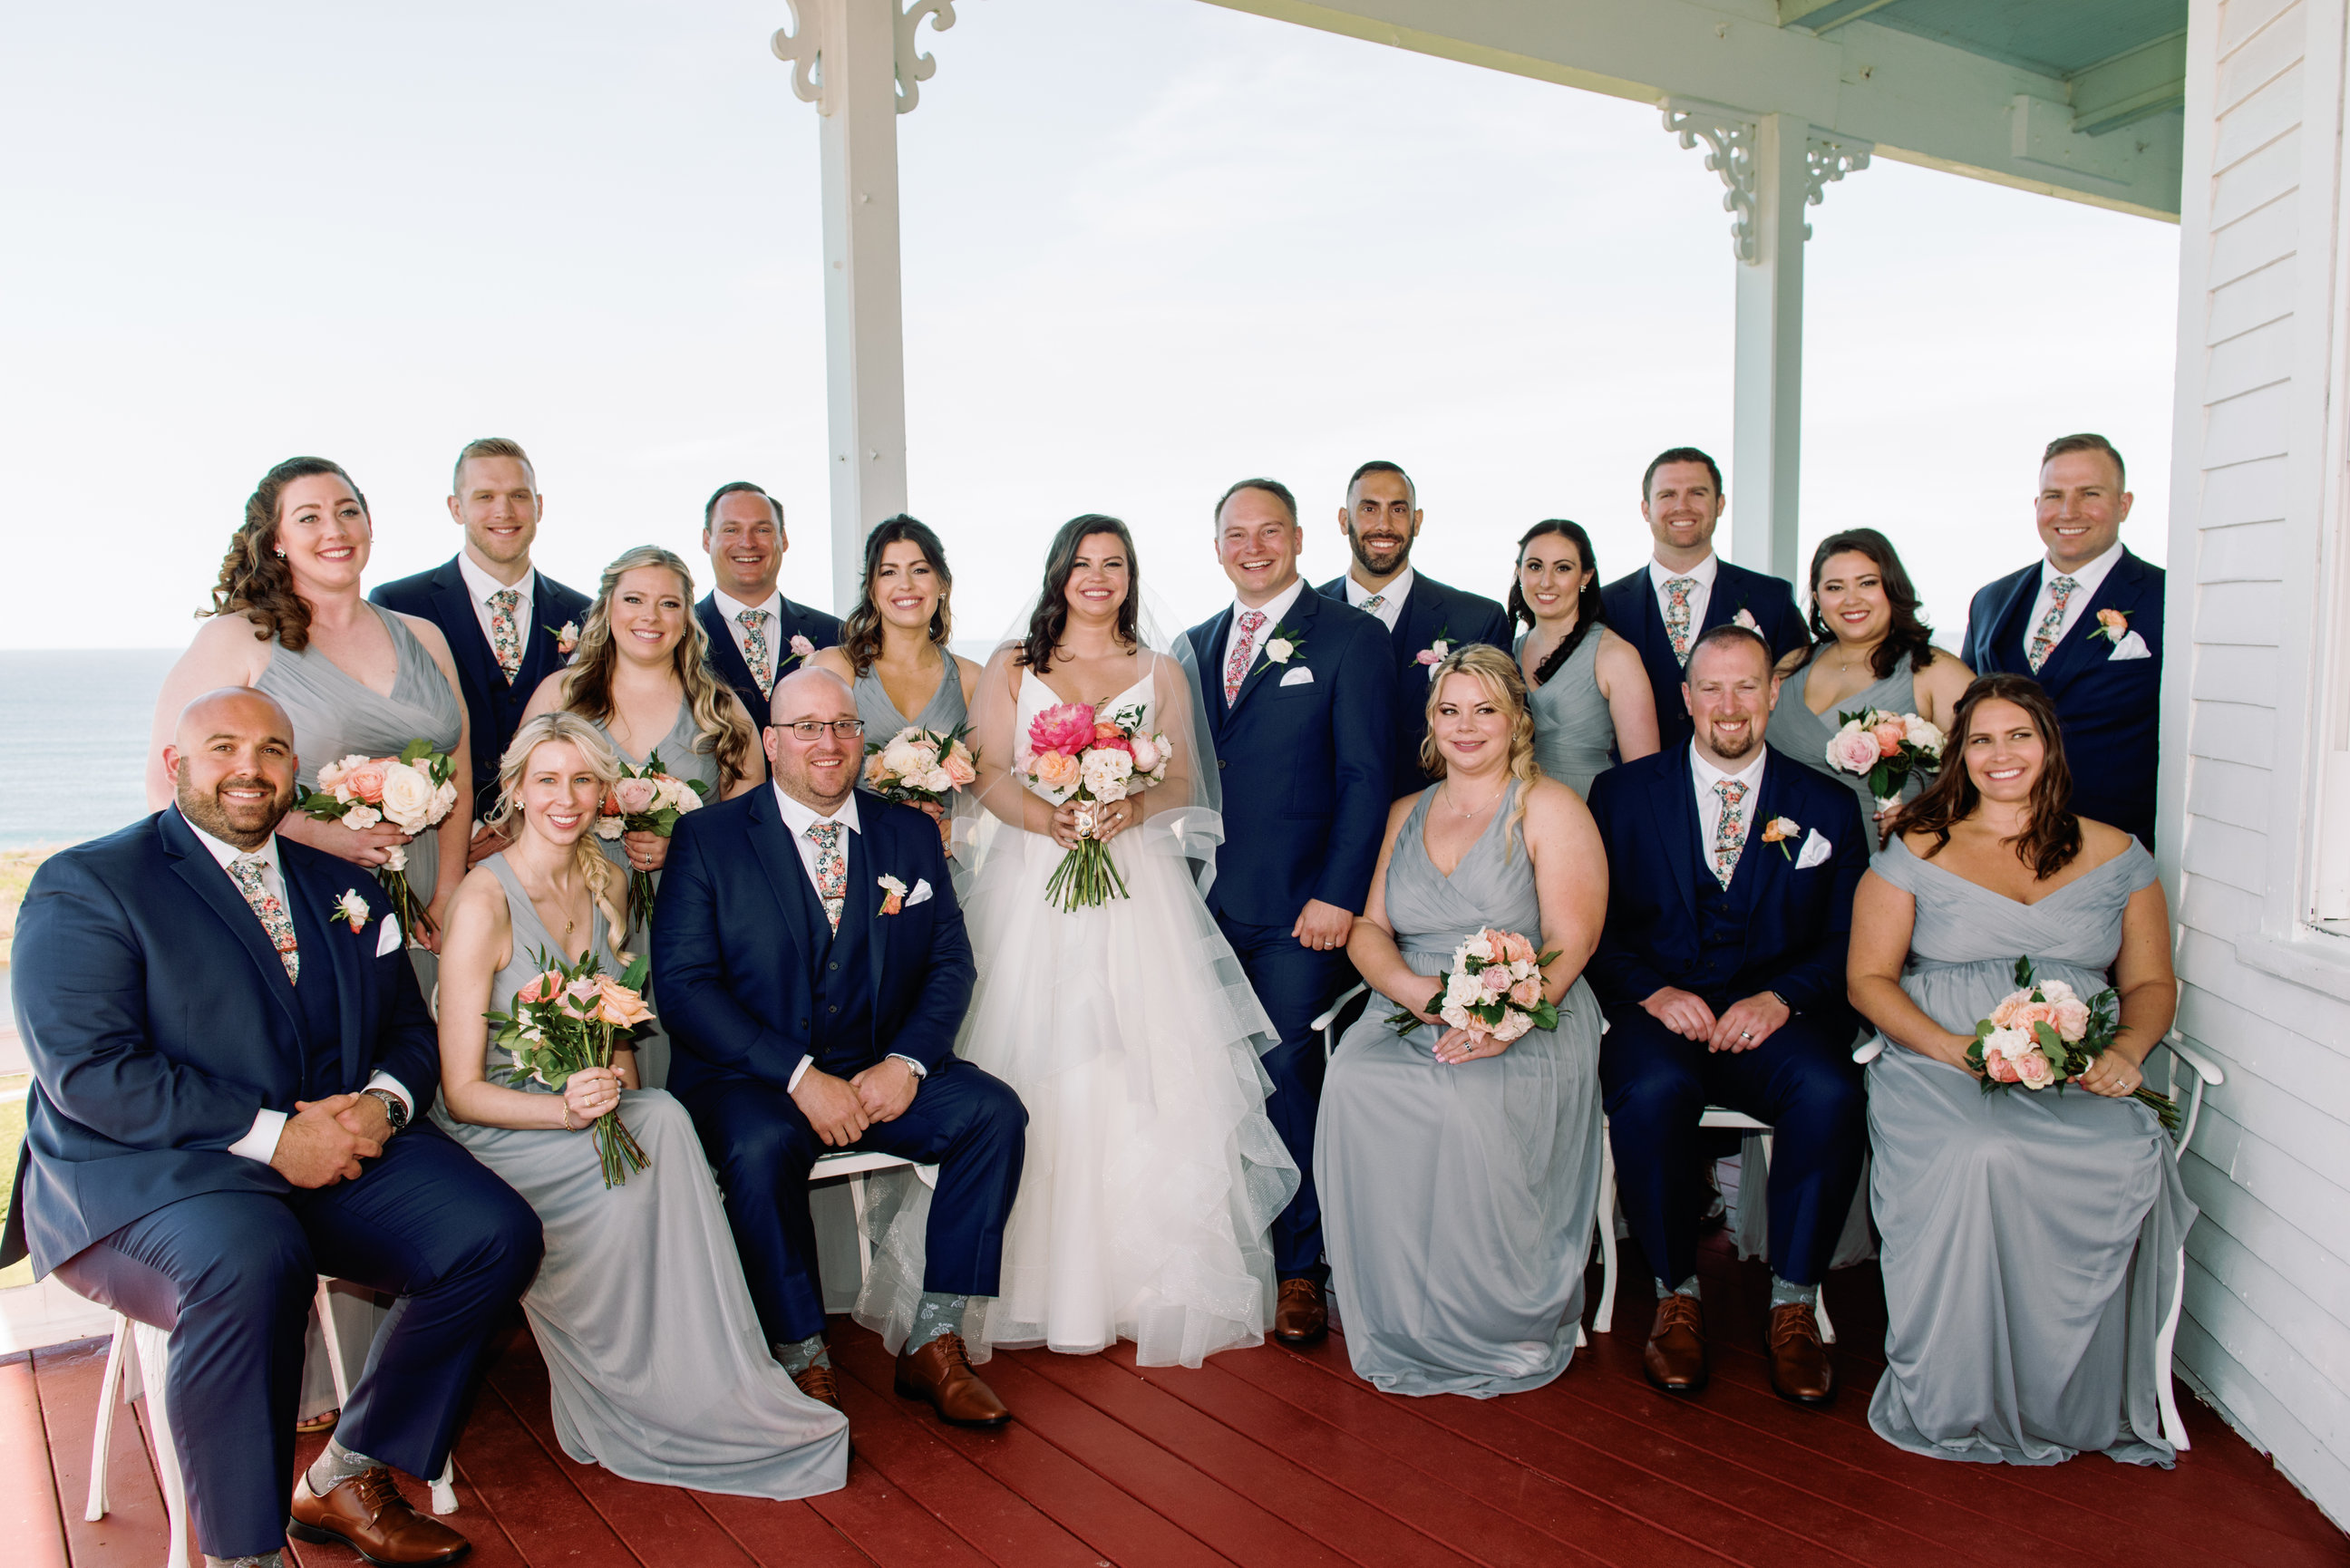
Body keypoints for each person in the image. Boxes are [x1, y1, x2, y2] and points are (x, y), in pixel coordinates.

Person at [5, 688, 540, 1568]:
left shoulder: (349, 886)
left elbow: (407, 1030)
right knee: (250, 1256)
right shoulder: (90, 882)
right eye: (223, 746)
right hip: (145, 1175)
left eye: (272, 749)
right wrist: (271, 1136)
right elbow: (90, 1072)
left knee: (492, 1232)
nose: (250, 767)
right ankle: (241, 1554)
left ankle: (347, 1470)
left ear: (296, 769)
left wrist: (380, 1105)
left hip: (326, 1147)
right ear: (177, 765)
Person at [856, 515, 1296, 1368]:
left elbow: (1180, 779)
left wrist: (1128, 806)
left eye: (1115, 564)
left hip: (1136, 893)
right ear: (1060, 574)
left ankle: (1142, 1281)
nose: (1099, 577)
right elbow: (982, 774)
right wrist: (1049, 815)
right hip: (1033, 887)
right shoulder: (1018, 668)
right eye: (1084, 563)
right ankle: (1029, 1284)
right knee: (1039, 1067)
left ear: (1131, 577)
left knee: (1142, 1072)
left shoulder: (1163, 671)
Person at [432, 713, 848, 1495]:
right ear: (516, 790)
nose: (567, 798)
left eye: (584, 780)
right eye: (547, 780)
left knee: (658, 1113)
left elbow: (617, 1032)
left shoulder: (608, 881)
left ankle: (709, 1375)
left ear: (604, 794)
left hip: (587, 1110)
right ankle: (646, 1390)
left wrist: (614, 1081)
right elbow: (461, 1092)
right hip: (502, 1126)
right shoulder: (483, 904)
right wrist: (565, 1110)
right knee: (659, 1124)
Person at [651, 666, 1025, 1427]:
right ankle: (800, 1355)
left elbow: (951, 962)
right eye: (807, 728)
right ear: (772, 741)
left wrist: (909, 1062)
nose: (829, 743)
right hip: (753, 1079)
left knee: (995, 1115)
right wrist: (796, 1077)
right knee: (758, 1149)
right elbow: (685, 988)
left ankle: (935, 1336)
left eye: (844, 726)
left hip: (880, 1068)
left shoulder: (909, 832)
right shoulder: (708, 838)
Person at [1850, 673, 2195, 1466]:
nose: (2001, 755)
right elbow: (1867, 979)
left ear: (2049, 746)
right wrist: (1951, 1049)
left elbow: (2149, 984)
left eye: (2019, 737)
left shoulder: (2120, 854)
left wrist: (2125, 1053)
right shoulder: (1917, 848)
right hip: (1944, 1061)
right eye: (1981, 740)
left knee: (2122, 1152)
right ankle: (1962, 1388)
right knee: (1980, 1154)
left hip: (2079, 1064)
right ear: (1959, 756)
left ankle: (2070, 1388)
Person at [1583, 625, 1869, 1408]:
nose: (1729, 705)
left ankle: (1794, 1304)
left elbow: (1847, 938)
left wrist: (1780, 999)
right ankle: (1677, 1295)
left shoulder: (1829, 807)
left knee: (1832, 1093)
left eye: (1746, 686)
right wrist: (1652, 993)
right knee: (1649, 1094)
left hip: (1775, 1019)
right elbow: (1588, 926)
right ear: (1685, 698)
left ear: (1773, 694)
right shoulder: (1621, 796)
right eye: (1711, 687)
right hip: (1659, 1011)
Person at [1318, 645, 1608, 1396]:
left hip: (1532, 1005)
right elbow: (1368, 927)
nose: (1466, 726)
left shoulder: (1550, 808)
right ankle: (1397, 1303)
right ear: (1431, 722)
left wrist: (1500, 1020)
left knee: (1465, 1097)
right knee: (1354, 1080)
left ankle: (1489, 1314)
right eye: (1450, 710)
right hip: (1413, 998)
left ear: (1517, 718)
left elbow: (1569, 943)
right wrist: (1413, 992)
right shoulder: (1404, 814)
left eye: (1485, 709)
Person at [1182, 478, 1396, 1343]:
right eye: (1238, 533)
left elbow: (1367, 777)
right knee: (1201, 1081)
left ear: (1303, 538)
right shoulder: (1191, 646)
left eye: (1271, 531)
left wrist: (1339, 896)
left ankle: (1302, 1268)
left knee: (1282, 1072)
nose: (1254, 546)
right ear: (1217, 544)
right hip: (1198, 909)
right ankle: (1227, 1249)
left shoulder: (1351, 638)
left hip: (1301, 914)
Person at [149, 457, 471, 952]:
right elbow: (167, 783)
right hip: (299, 894)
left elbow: (458, 774)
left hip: (429, 902)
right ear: (276, 539)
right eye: (308, 517)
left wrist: (448, 891)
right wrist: (317, 837)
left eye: (347, 512)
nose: (334, 530)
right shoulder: (237, 639)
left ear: (368, 524)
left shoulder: (425, 638)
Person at [520, 545, 766, 1088]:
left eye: (668, 604)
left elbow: (756, 824)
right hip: (575, 909)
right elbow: (521, 801)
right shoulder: (560, 695)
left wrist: (687, 849)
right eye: (633, 599)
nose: (650, 617)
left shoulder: (719, 707)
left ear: (687, 620)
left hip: (688, 917)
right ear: (608, 608)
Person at [371, 437, 593, 866]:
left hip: (556, 847)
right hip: (426, 849)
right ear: (456, 508)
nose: (503, 512)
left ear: (540, 505)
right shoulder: (399, 605)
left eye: (518, 496)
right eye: (485, 497)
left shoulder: (587, 613)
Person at [1961, 434, 2164, 848]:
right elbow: (1965, 723)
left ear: (2124, 504)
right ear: (2037, 506)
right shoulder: (1990, 600)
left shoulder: (2170, 600)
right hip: (1993, 847)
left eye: (2090, 493)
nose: (2068, 511)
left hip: (2113, 847)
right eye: (2054, 495)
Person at [1313, 460, 1515, 797]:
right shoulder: (1303, 618)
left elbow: (1510, 737)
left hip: (1437, 826)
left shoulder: (1478, 619)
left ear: (1416, 521)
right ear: (1343, 520)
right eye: (1368, 508)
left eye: (1398, 509)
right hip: (1322, 833)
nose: (1384, 524)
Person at [807, 516, 983, 895]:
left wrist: (964, 829)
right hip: (855, 863)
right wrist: (891, 817)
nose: (906, 585)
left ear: (942, 584)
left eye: (919, 570)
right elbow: (804, 776)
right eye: (889, 572)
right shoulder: (837, 669)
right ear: (872, 588)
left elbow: (995, 783)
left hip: (944, 869)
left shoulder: (971, 679)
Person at [1600, 447, 1808, 753]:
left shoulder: (1771, 597)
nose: (1682, 506)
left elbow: (1800, 689)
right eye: (1667, 495)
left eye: (1697, 493)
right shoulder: (1605, 606)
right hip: (1635, 785)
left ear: (1720, 503)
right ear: (1645, 509)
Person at [1770, 528, 1973, 838]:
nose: (1852, 600)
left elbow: (1981, 776)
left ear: (1892, 588)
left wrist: (1927, 819)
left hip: (1884, 859)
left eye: (1867, 583)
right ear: (1817, 598)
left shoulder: (1935, 672)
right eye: (1835, 587)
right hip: (1784, 862)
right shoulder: (1790, 665)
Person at [1508, 519, 1659, 797]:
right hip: (1515, 808)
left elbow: (1645, 772)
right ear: (1519, 571)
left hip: (1589, 809)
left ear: (1586, 577)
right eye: (1535, 566)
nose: (1546, 581)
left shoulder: (1615, 655)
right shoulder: (1508, 652)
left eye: (1562, 568)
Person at [695, 481, 844, 725]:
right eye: (731, 530)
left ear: (783, 539)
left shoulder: (837, 634)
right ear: (706, 539)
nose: (747, 542)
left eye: (762, 530)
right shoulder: (681, 635)